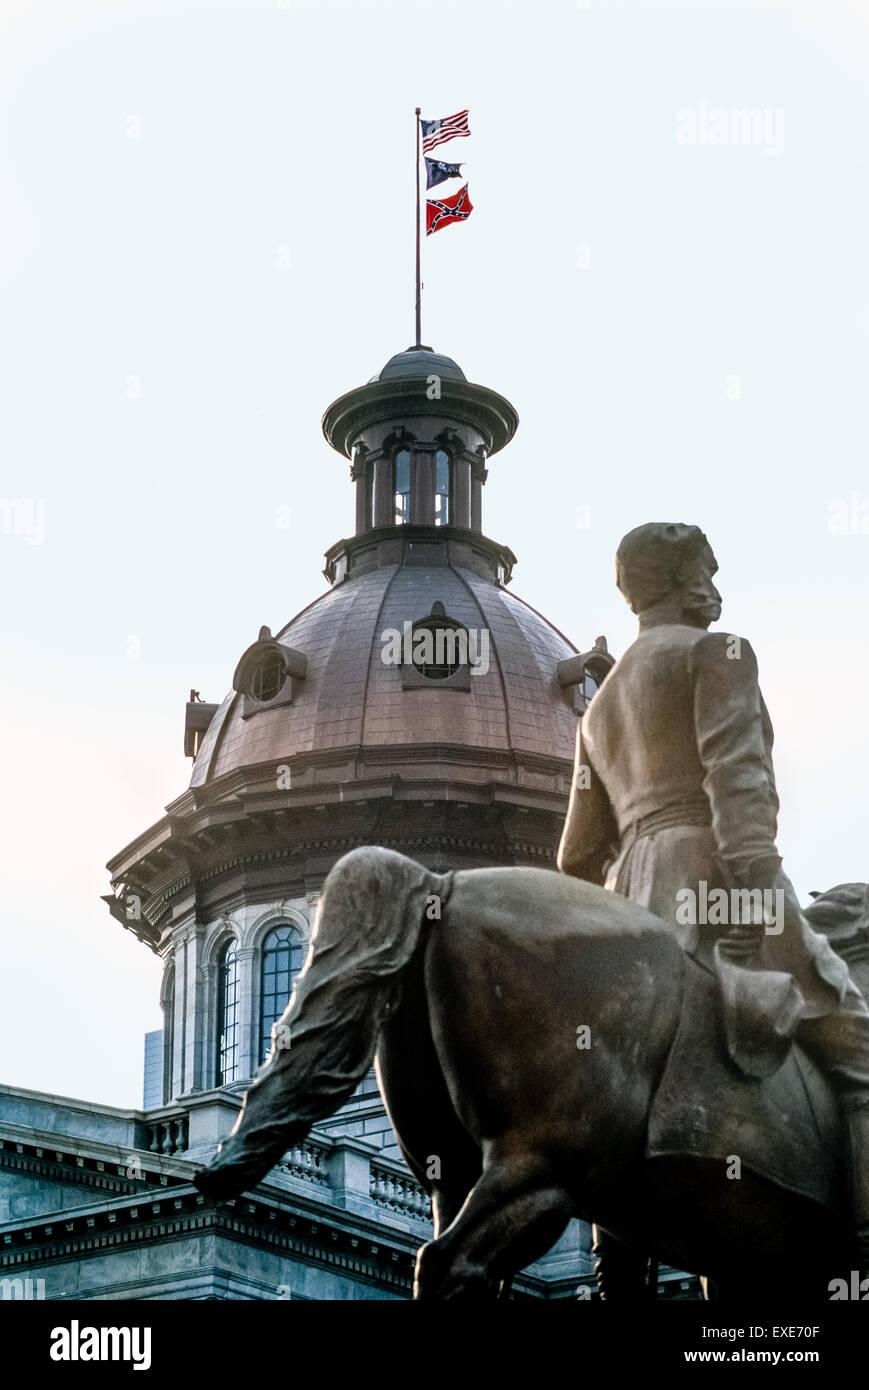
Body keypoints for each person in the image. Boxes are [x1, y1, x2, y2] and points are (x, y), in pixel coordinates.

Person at [557, 521, 869, 1293]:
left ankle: (614, 1266)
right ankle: (862, 1257)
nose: (717, 588)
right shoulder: (717, 652)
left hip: (633, 897)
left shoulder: (600, 706)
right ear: (685, 581)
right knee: (860, 1051)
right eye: (708, 570)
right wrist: (754, 888)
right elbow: (739, 780)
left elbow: (573, 857)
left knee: (621, 1084)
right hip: (717, 873)